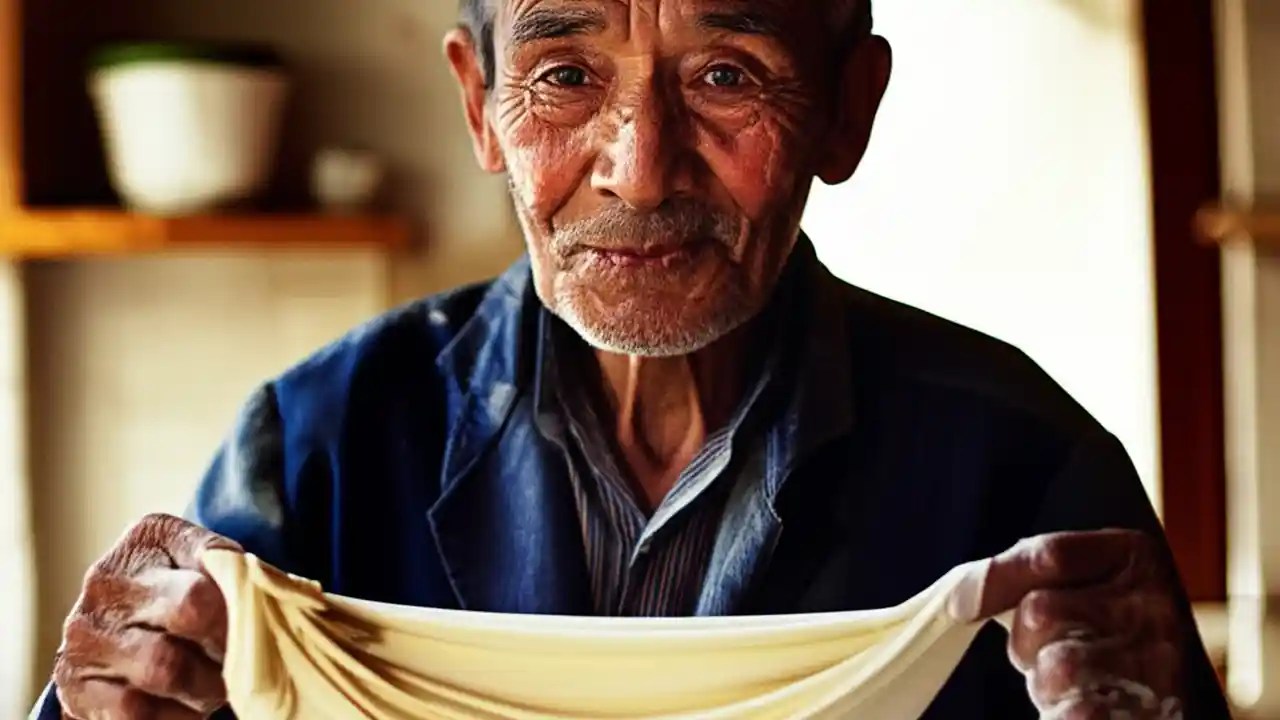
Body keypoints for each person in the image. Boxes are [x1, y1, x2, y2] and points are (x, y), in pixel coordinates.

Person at [34, 1, 1230, 718]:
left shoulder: (1018, 466)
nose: (639, 167)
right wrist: (97, 704)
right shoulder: (323, 443)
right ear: (479, 104)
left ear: (846, 110)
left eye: (725, 75)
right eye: (564, 76)